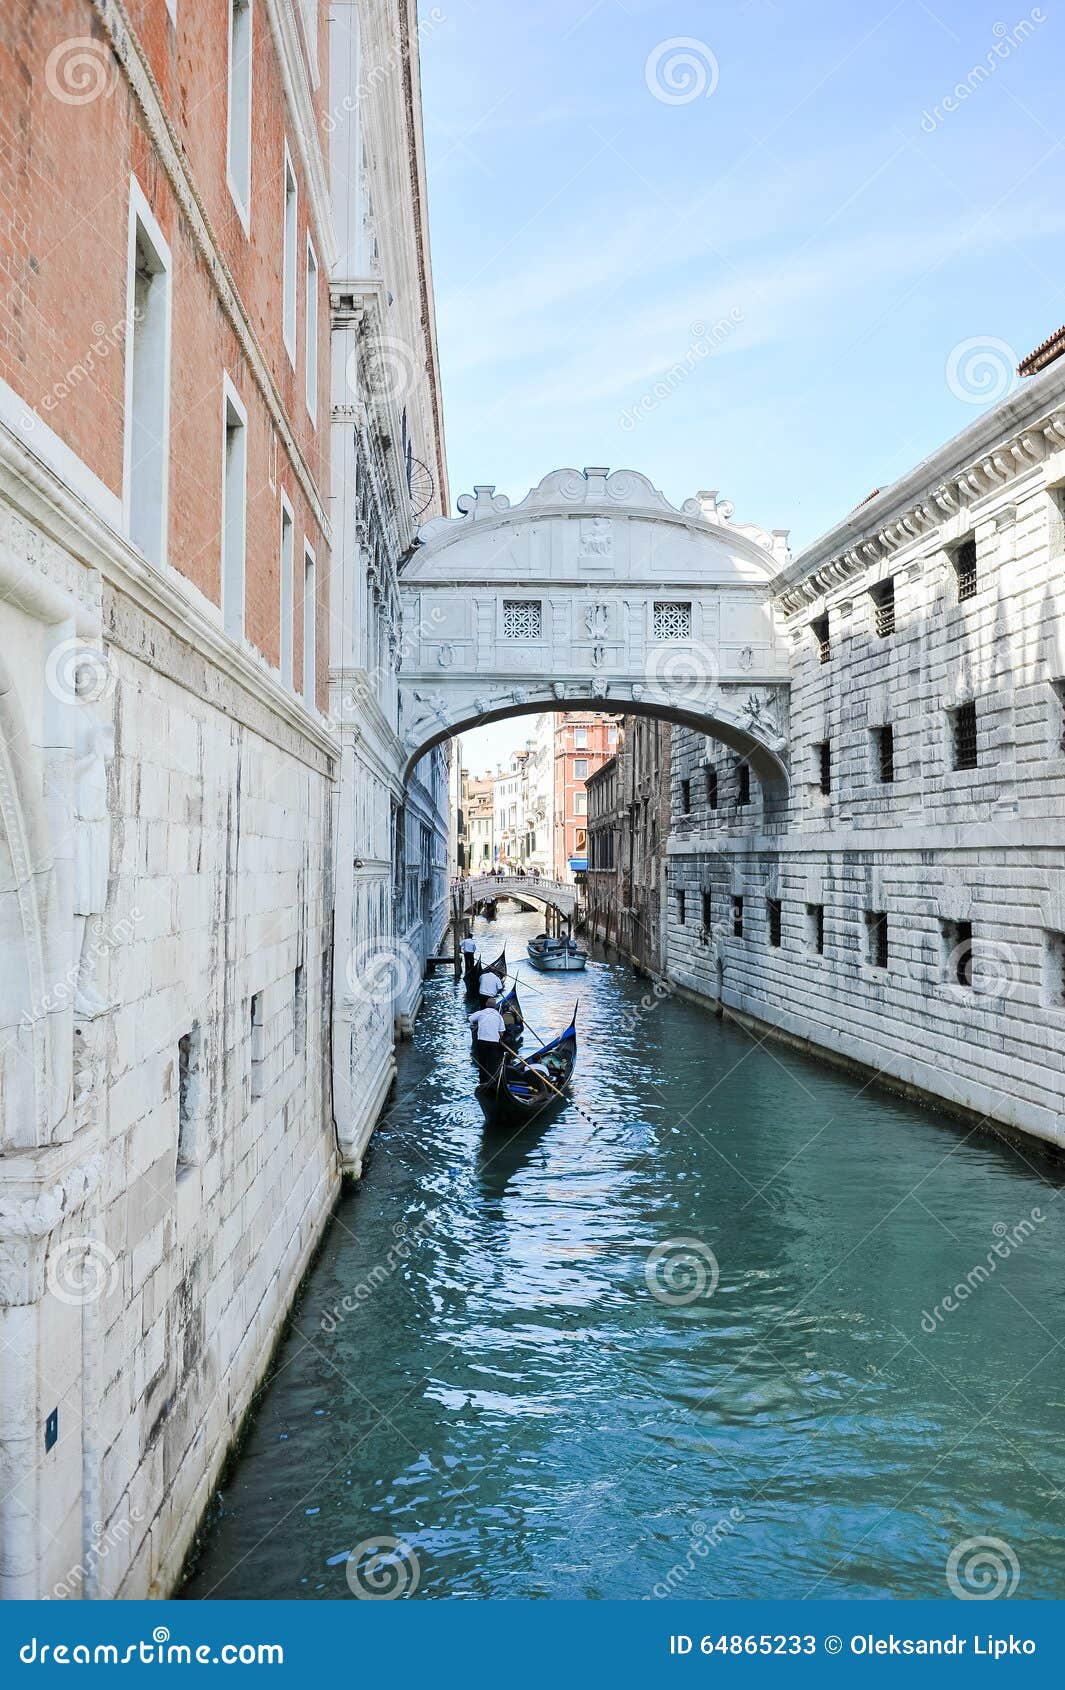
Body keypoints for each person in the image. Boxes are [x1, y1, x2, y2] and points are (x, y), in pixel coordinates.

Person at [469, 1000, 507, 1082]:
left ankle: (482, 1081)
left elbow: (470, 1019)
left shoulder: (481, 1013)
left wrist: (477, 1023)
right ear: (495, 1006)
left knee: (482, 1063)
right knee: (492, 1063)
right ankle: (491, 1080)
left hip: (482, 1042)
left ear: (486, 1004)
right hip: (494, 1043)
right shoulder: (499, 1016)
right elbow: (501, 1033)